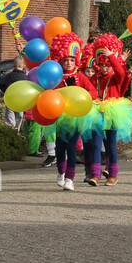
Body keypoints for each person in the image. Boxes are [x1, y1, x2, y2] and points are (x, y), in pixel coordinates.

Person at [50, 33, 97, 191]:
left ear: (75, 60)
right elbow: (51, 95)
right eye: (65, 60)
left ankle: (70, 178)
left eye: (71, 60)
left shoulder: (81, 77)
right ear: (60, 61)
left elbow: (93, 93)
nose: (69, 63)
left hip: (76, 118)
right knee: (60, 149)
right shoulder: (56, 77)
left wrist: (80, 93)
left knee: (72, 149)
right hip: (60, 118)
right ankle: (61, 172)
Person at [88, 34, 132, 185]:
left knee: (111, 144)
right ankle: (95, 175)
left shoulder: (115, 77)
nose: (104, 68)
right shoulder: (94, 78)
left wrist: (113, 57)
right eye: (102, 65)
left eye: (107, 65)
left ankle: (113, 175)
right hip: (96, 112)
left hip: (113, 113)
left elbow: (121, 72)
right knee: (96, 144)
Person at [0, 57, 29, 132]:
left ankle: (9, 133)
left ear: (14, 65)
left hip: (10, 99)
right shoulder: (25, 78)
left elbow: (1, 85)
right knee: (19, 116)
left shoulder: (9, 76)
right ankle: (17, 132)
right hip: (21, 101)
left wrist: (6, 91)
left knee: (10, 118)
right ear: (23, 66)